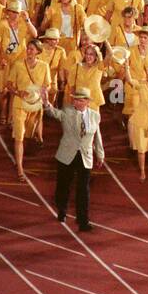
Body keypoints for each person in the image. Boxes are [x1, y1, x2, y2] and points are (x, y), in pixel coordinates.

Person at [44, 85, 105, 231]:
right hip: (67, 154)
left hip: (85, 155)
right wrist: (46, 103)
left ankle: (83, 220)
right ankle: (62, 209)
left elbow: (97, 136)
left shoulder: (95, 115)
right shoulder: (67, 112)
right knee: (63, 185)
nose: (77, 102)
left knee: (83, 189)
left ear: (87, 102)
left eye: (80, 100)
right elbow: (54, 113)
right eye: (75, 100)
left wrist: (100, 154)